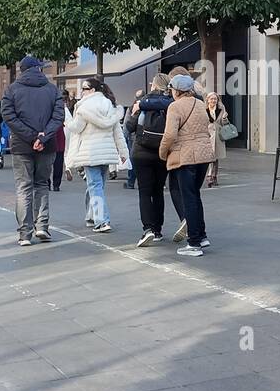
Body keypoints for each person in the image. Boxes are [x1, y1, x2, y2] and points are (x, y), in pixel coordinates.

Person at [2, 55, 65, 245]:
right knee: (42, 185)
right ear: (38, 69)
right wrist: (42, 137)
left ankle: (24, 233)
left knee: (23, 187)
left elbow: (9, 117)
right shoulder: (53, 90)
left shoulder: (11, 90)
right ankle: (42, 226)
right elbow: (58, 117)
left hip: (21, 145)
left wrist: (31, 137)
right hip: (47, 145)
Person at [159, 74, 215, 257]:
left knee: (188, 198)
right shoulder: (201, 104)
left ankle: (193, 243)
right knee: (195, 196)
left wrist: (162, 152)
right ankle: (202, 235)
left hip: (186, 156)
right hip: (204, 154)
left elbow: (169, 135)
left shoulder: (174, 107)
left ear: (176, 91)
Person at [64, 78, 128, 234]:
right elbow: (117, 133)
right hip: (106, 153)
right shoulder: (109, 105)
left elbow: (76, 128)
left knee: (94, 186)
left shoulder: (83, 107)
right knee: (97, 186)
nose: (82, 92)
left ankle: (101, 220)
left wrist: (66, 119)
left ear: (92, 90)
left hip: (90, 152)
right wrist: (123, 152)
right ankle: (91, 215)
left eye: (84, 88)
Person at [128, 74, 178, 247]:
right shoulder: (171, 103)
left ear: (153, 85)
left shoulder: (142, 102)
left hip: (141, 152)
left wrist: (135, 110)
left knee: (144, 191)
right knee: (158, 191)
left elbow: (129, 126)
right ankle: (157, 230)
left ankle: (147, 229)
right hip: (162, 152)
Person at [206, 92, 229, 187]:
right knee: (209, 158)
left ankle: (213, 176)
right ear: (207, 100)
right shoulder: (204, 110)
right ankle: (210, 176)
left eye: (215, 99)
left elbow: (226, 125)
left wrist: (224, 118)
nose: (213, 101)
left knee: (215, 158)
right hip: (208, 136)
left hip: (218, 137)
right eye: (211, 99)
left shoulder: (221, 110)